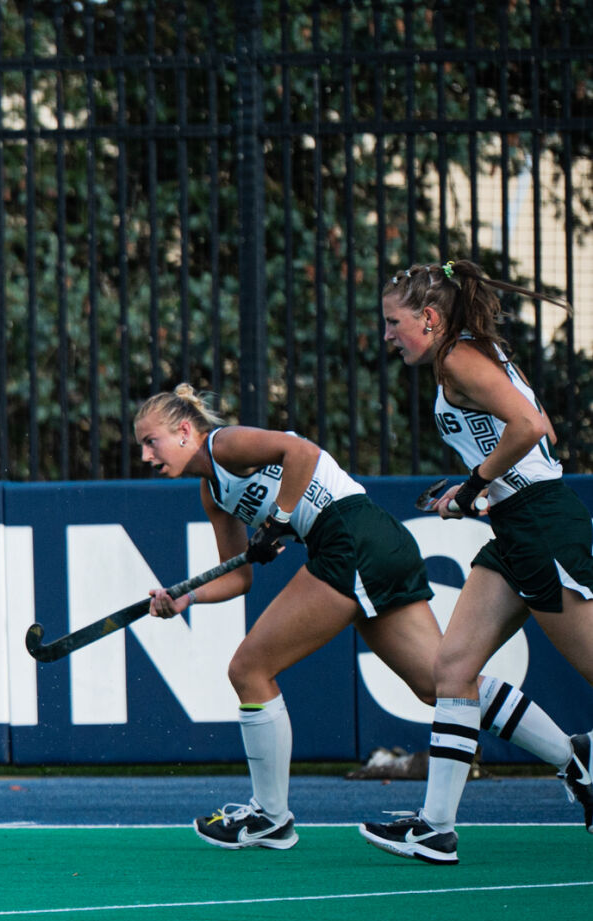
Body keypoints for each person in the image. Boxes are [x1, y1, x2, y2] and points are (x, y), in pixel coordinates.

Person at [136, 383, 583, 855]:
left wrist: (280, 519)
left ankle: (269, 817)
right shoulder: (212, 493)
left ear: (185, 431)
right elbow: (239, 578)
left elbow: (301, 450)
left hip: (349, 537)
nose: (147, 455)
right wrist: (187, 597)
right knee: (441, 683)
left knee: (249, 669)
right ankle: (575, 756)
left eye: (152, 441)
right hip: (376, 542)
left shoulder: (224, 445)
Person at [362, 260, 593, 863]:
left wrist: (471, 489)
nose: (387, 335)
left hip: (542, 525)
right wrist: (479, 490)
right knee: (453, 669)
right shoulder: (463, 354)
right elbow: (515, 442)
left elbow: (530, 425)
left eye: (394, 323)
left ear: (430, 319)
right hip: (519, 524)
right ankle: (435, 828)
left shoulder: (460, 359)